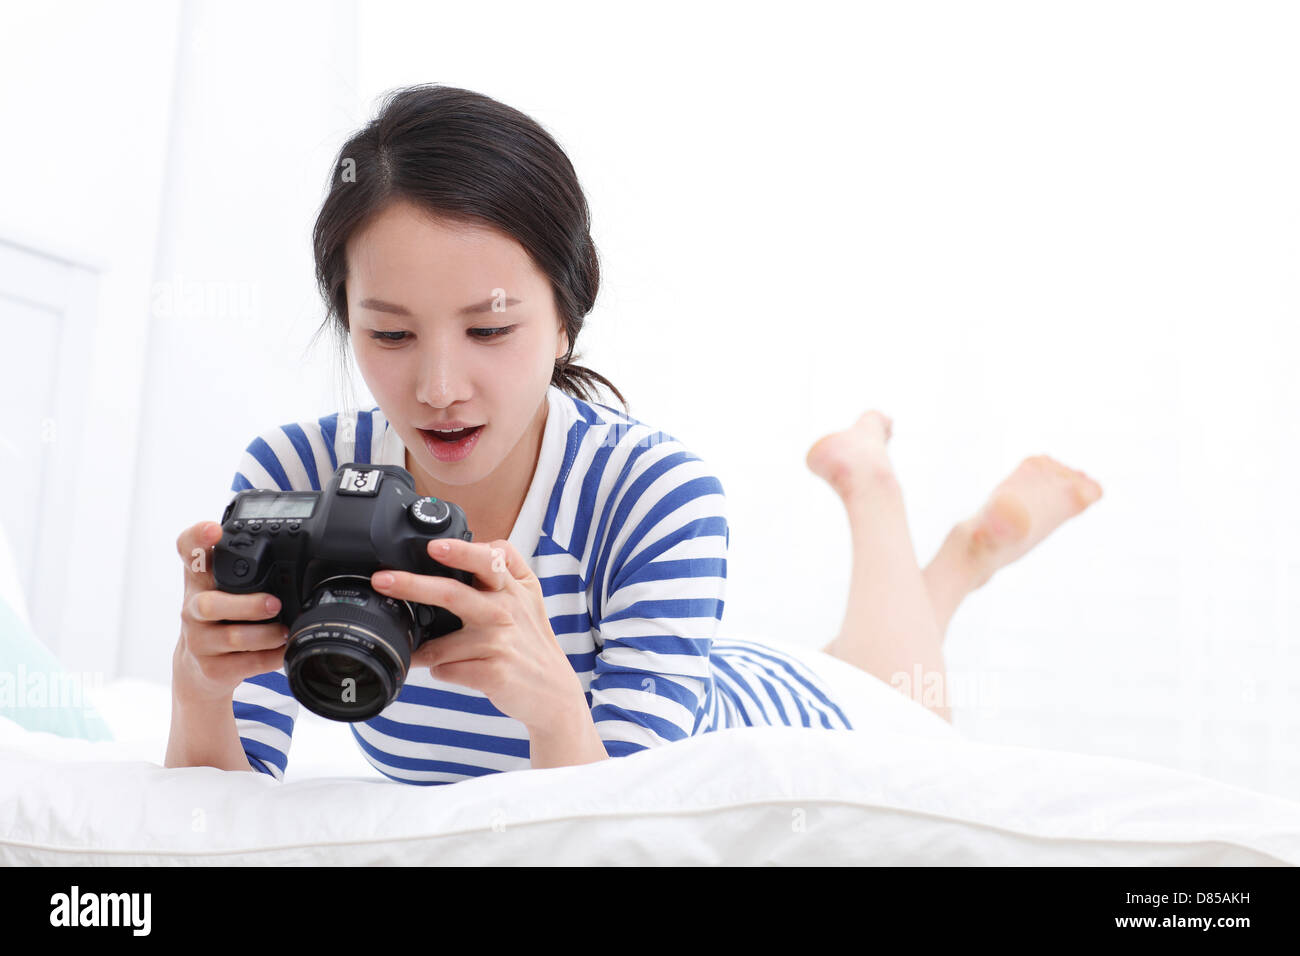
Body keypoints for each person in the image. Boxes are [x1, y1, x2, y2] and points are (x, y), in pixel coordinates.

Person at [165, 85, 1102, 784]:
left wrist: (550, 701)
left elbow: (628, 826)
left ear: (569, 317)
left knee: (902, 699)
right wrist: (201, 690)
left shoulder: (652, 491)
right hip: (677, 695)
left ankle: (880, 491)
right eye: (391, 333)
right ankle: (954, 554)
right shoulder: (298, 474)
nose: (440, 388)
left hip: (772, 730)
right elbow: (227, 814)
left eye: (491, 331)